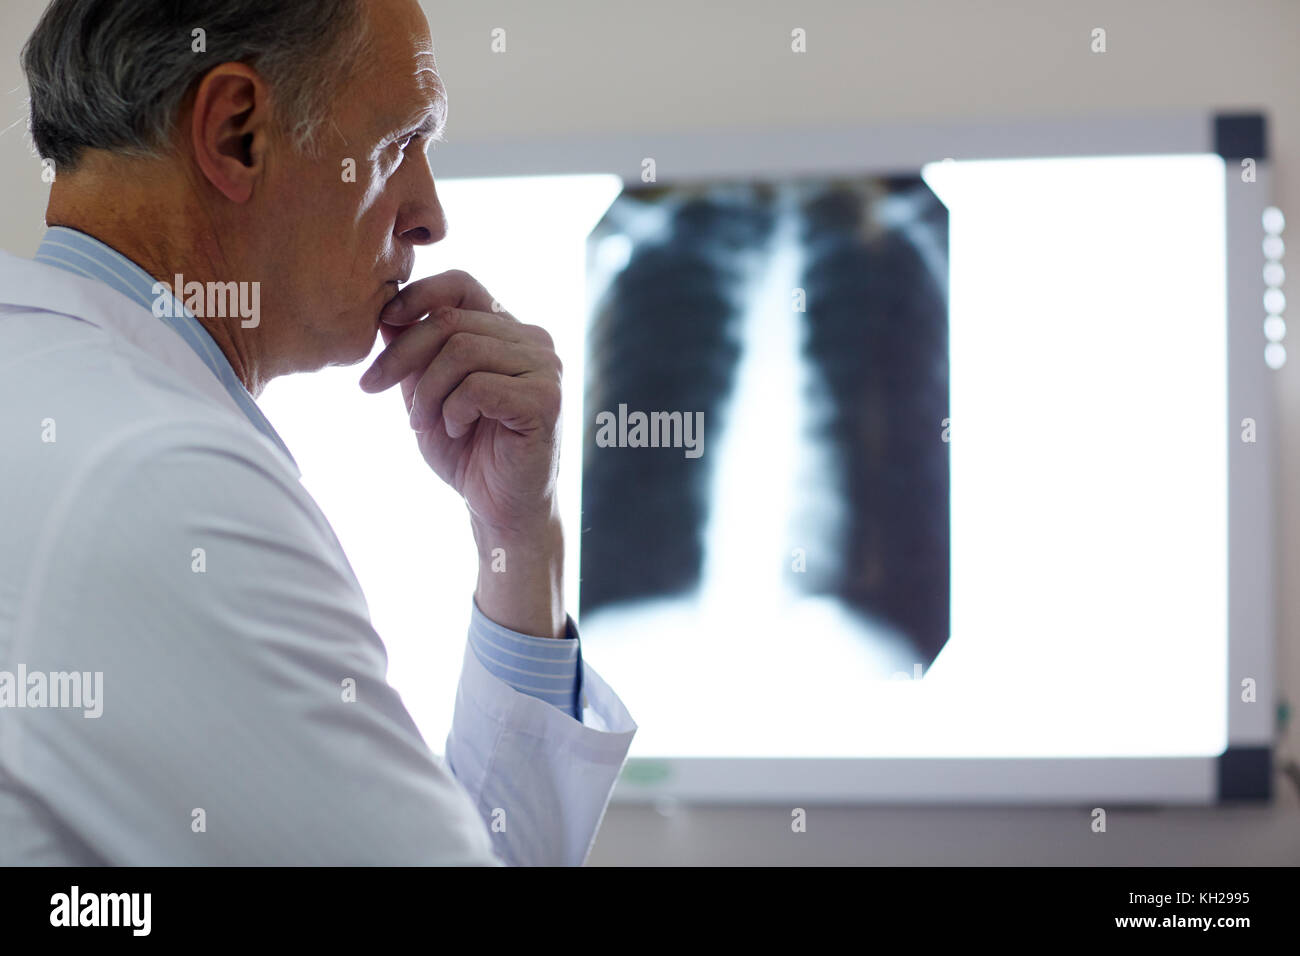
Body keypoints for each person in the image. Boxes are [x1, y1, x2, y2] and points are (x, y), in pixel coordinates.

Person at [0, 0, 635, 866]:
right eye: (398, 145)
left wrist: (518, 543)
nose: (428, 215)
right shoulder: (167, 481)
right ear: (236, 135)